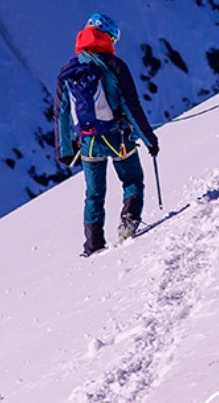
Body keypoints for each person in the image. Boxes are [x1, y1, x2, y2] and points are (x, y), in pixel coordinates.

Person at [55, 13, 159, 256]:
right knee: (132, 180)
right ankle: (128, 220)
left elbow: (60, 115)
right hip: (118, 137)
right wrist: (149, 139)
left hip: (88, 143)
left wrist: (65, 151)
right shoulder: (116, 66)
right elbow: (131, 105)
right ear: (108, 38)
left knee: (94, 194)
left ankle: (93, 244)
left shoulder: (68, 71)